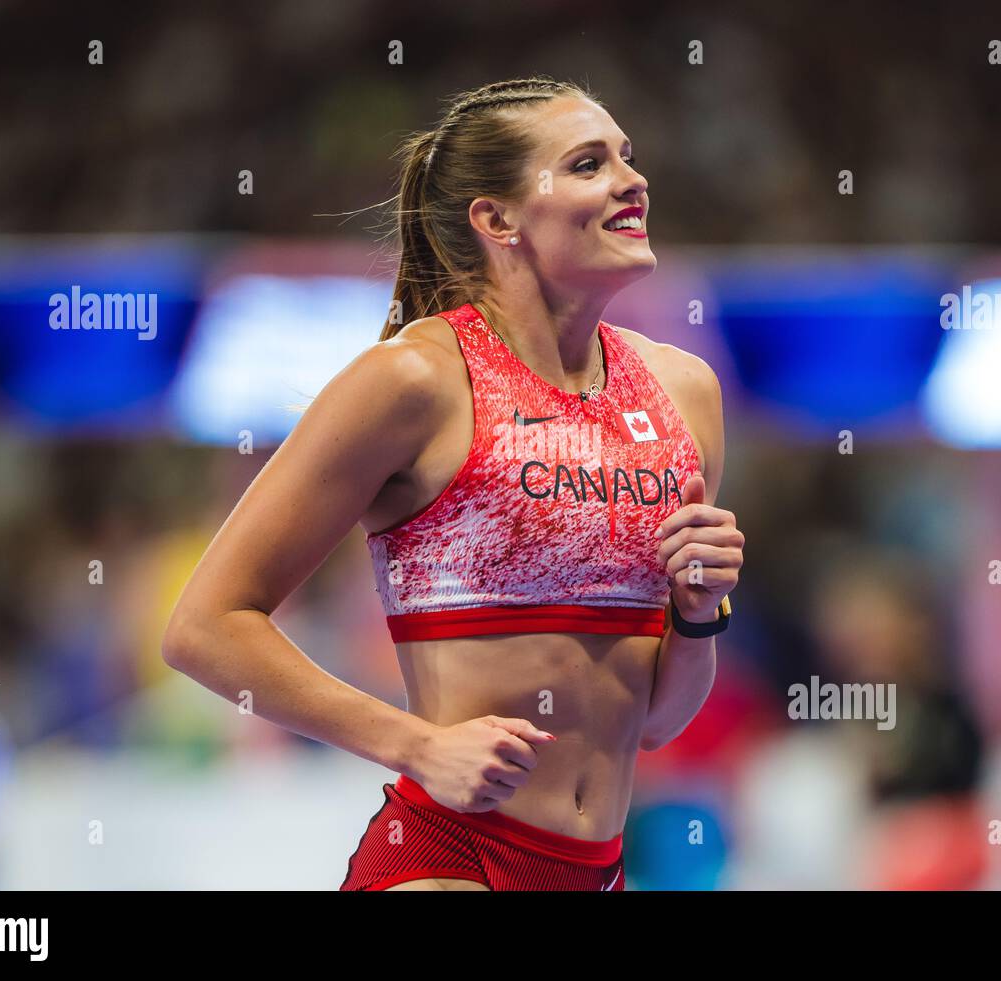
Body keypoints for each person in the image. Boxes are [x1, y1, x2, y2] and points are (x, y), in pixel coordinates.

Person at [162, 76, 743, 890]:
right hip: (446, 862)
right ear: (497, 219)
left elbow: (655, 722)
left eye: (627, 157)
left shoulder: (685, 394)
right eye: (586, 164)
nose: (630, 179)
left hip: (598, 870)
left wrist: (698, 611)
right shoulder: (415, 379)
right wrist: (415, 743)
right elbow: (203, 625)